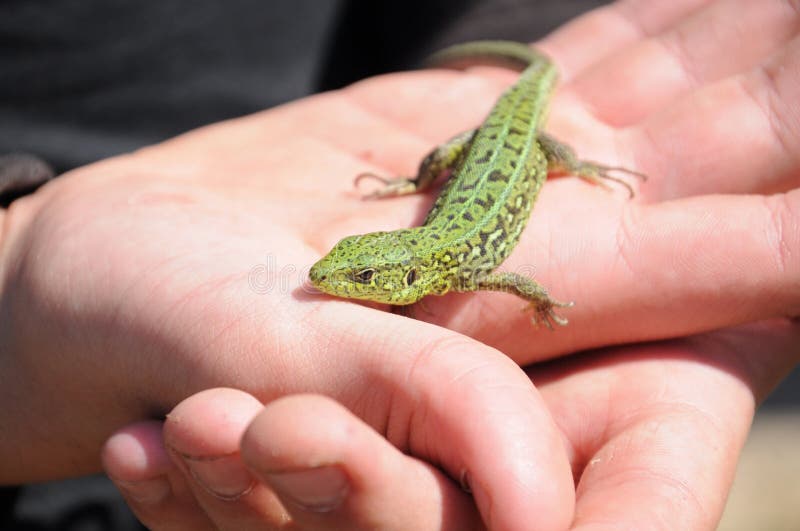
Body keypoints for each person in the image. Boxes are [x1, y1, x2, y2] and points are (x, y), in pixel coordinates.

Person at [2, 0, 799, 529]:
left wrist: (546, 292)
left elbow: (511, 278)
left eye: (363, 276)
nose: (337, 279)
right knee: (457, 151)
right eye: (350, 269)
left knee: (522, 141)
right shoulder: (420, 263)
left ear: (405, 278)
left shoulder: (451, 265)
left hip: (520, 144)